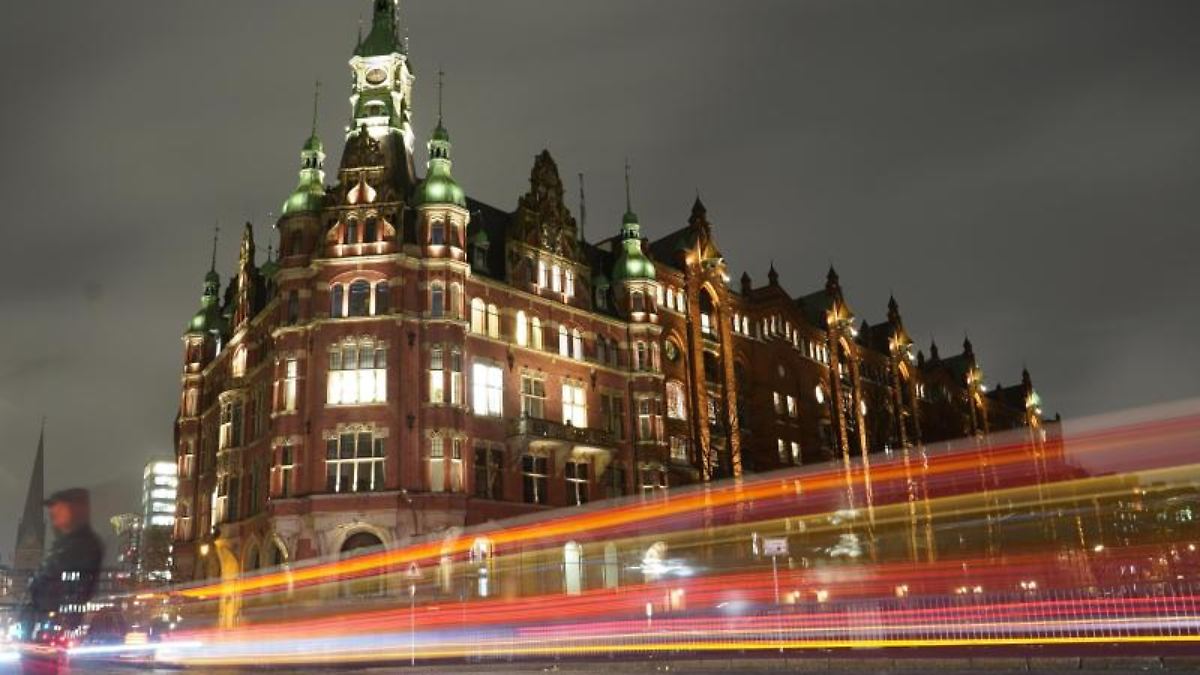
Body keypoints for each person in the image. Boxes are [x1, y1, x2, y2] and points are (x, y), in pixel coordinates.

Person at [19, 488, 104, 671]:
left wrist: (61, 624)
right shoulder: (63, 545)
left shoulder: (83, 545)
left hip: (49, 636)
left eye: (58, 507)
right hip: (39, 636)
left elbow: (75, 590)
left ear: (74, 509)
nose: (52, 512)